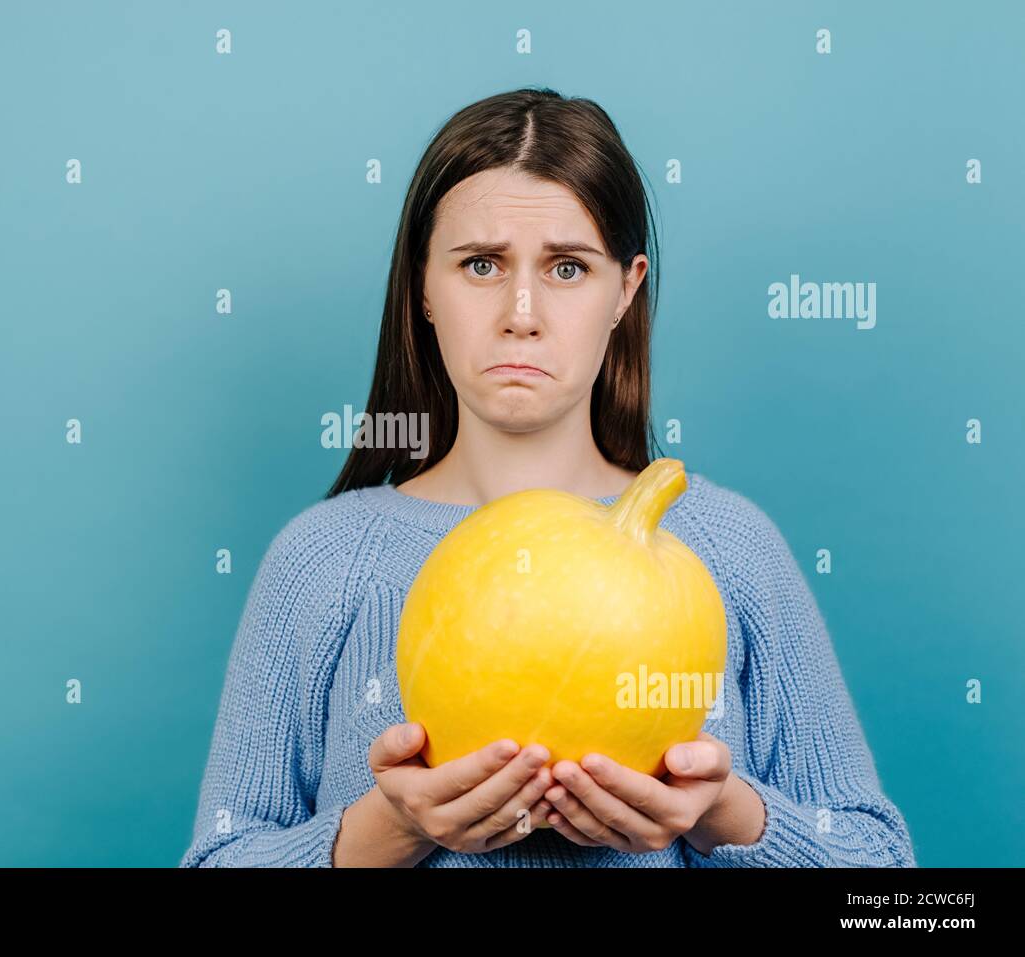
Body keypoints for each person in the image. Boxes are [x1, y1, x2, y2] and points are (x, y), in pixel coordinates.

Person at [179, 87, 916, 867]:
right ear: (423, 286)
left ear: (625, 290)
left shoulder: (729, 547)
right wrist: (390, 829)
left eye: (567, 267)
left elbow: (886, 882)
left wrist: (726, 815)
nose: (521, 311)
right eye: (480, 264)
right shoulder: (321, 560)